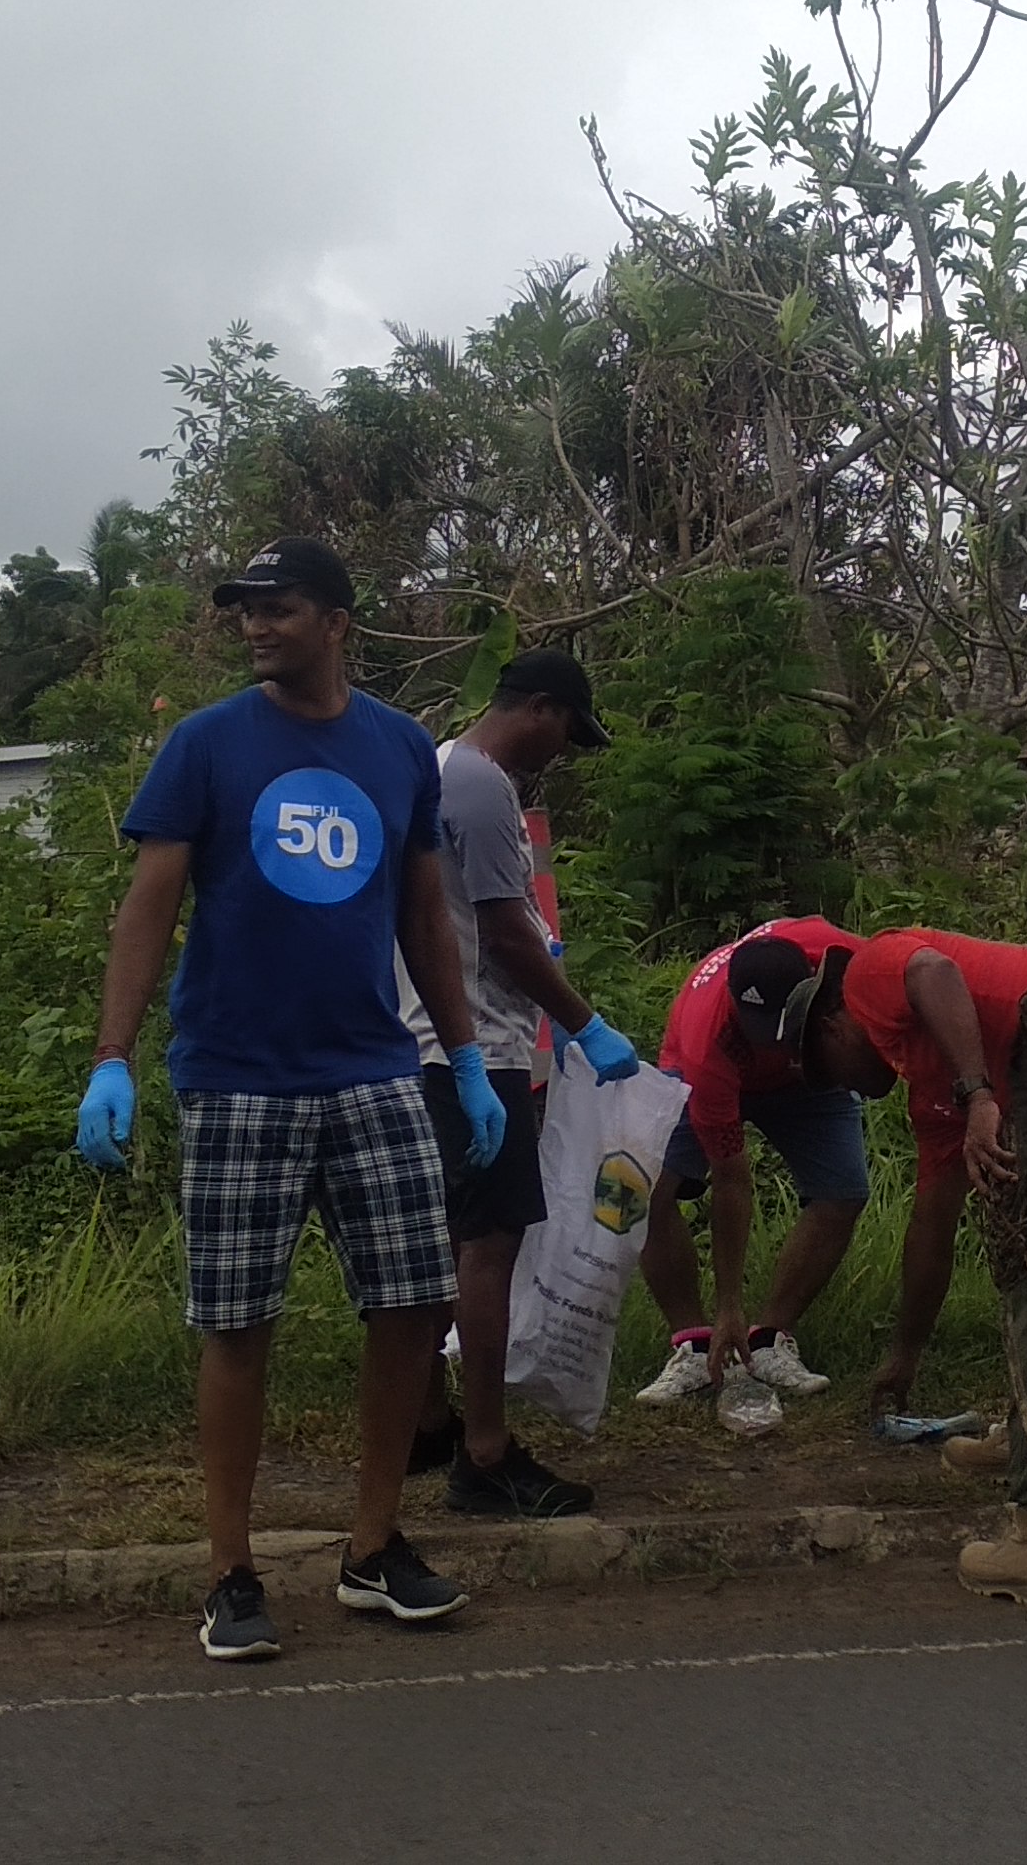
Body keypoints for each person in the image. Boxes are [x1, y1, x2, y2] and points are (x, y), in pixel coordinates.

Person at [75, 537, 503, 1663]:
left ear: (338, 622)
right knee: (237, 1324)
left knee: (413, 1305)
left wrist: (461, 1058)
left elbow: (424, 915)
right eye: (247, 610)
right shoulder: (206, 744)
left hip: (371, 1070)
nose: (258, 625)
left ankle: (372, 1549)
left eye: (282, 607)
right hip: (237, 1081)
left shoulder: (400, 748)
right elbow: (147, 908)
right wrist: (111, 1056)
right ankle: (229, 1571)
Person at [753, 925, 1027, 1604]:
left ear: (834, 1026)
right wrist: (906, 1355)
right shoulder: (931, 1082)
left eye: (825, 1070)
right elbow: (932, 1224)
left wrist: (980, 1096)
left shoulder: (869, 973)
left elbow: (934, 971)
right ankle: (1026, 1436)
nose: (838, 1088)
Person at [398, 647, 643, 1517]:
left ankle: (425, 1422)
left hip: (422, 1042)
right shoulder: (483, 784)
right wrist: (587, 1023)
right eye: (565, 736)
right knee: (489, 1246)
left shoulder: (429, 765)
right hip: (478, 1049)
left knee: (437, 1242)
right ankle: (485, 1452)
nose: (559, 756)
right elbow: (503, 936)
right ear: (538, 710)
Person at [632, 917, 876, 1430]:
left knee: (844, 1190)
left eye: (778, 1031)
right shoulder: (711, 1040)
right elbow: (731, 1179)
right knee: (647, 1193)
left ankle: (770, 1339)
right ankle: (695, 1345)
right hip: (706, 1074)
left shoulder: (846, 959)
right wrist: (728, 1307)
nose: (768, 1042)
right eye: (757, 1029)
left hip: (813, 1068)